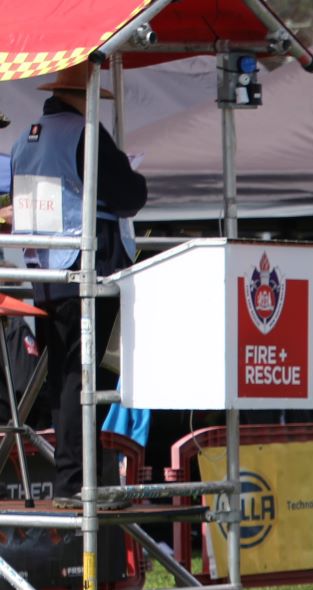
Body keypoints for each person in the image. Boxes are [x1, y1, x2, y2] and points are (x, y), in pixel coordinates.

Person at [9, 64, 146, 507]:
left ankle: (76, 475)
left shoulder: (24, 141)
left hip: (46, 273)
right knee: (85, 378)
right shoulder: (84, 135)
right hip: (85, 269)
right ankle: (78, 480)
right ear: (85, 94)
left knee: (66, 379)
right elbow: (129, 195)